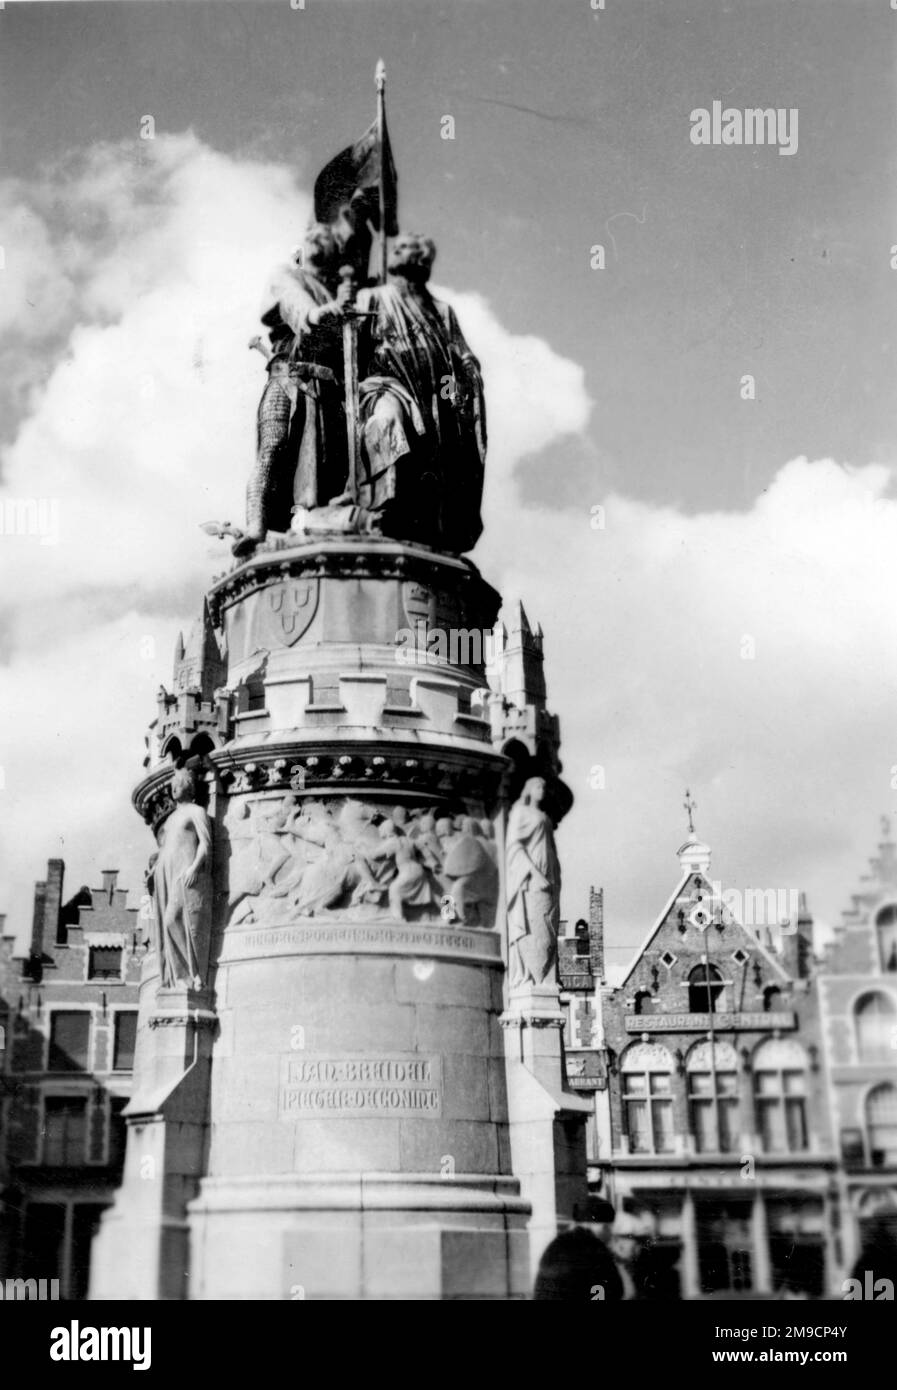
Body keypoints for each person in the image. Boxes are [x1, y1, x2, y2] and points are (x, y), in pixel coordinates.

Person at [355, 233, 486, 551]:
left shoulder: (441, 310)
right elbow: (353, 343)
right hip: (388, 384)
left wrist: (468, 368)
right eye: (395, 248)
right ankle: (382, 509)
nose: (396, 252)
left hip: (437, 393)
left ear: (422, 260)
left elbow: (461, 350)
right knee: (387, 423)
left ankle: (423, 525)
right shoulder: (373, 298)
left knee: (440, 460)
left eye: (405, 249)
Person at [235, 223, 350, 555]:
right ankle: (256, 525)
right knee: (273, 446)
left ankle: (314, 520)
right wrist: (320, 313)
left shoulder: (333, 291)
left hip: (325, 386)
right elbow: (294, 304)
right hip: (286, 378)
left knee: (325, 462)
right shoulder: (287, 278)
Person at [151, 768, 213, 988]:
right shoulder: (171, 819)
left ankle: (191, 973)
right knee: (167, 922)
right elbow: (167, 847)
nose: (173, 788)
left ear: (189, 785)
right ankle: (179, 976)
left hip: (184, 874)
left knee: (172, 920)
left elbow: (205, 843)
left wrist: (195, 868)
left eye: (178, 783)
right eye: (172, 784)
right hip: (166, 874)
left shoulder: (196, 811)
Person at [506, 776, 561, 986]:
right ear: (528, 790)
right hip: (530, 879)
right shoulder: (521, 812)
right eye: (538, 786)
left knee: (545, 924)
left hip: (549, 878)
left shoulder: (543, 816)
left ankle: (542, 978)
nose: (542, 790)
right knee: (529, 924)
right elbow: (514, 846)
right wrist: (534, 873)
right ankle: (526, 975)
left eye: (544, 787)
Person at [533, 1199, 624, 1301]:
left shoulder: (555, 1245)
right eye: (610, 1228)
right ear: (604, 1226)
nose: (611, 1234)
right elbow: (614, 1290)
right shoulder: (595, 1250)